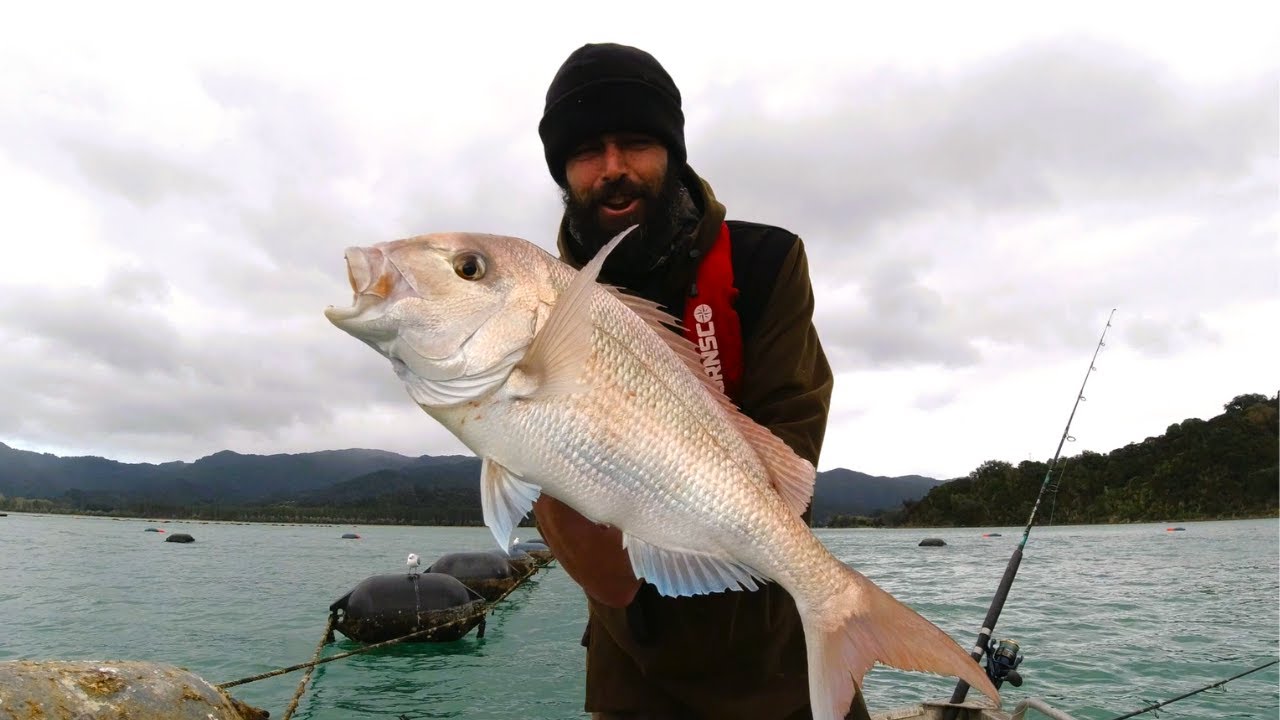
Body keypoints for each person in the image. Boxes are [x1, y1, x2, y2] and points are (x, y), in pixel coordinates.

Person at [530, 43, 870, 720]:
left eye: (635, 142)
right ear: (565, 173)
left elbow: (790, 448)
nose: (613, 169)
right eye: (587, 151)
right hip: (633, 667)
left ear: (674, 152)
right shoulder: (540, 302)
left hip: (774, 651)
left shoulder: (764, 260)